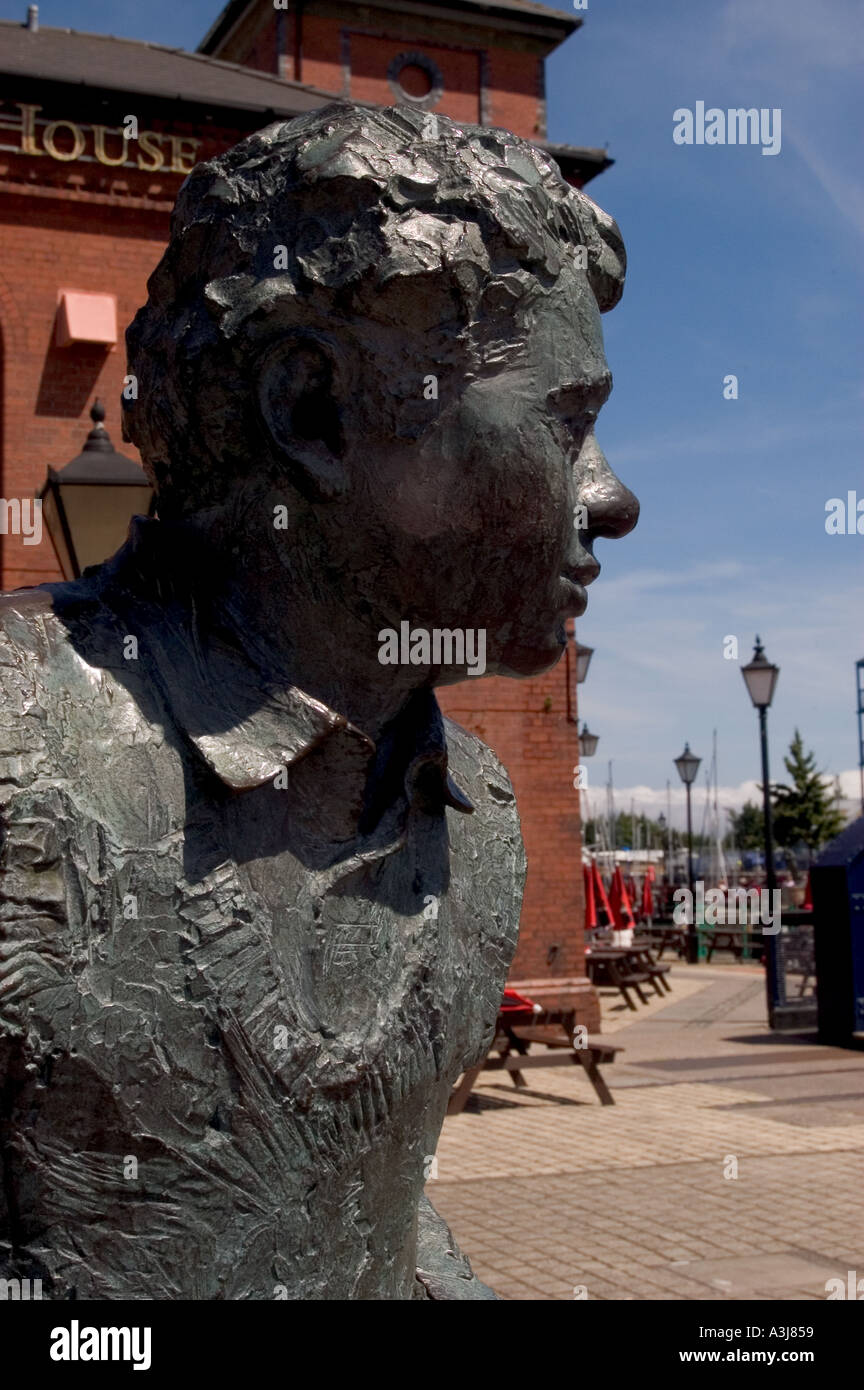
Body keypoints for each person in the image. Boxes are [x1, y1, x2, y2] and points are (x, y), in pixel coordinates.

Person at [0, 103, 637, 1299]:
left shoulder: (474, 819)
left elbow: (367, 1220)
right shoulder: (19, 753)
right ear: (315, 412)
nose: (610, 498)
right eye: (567, 424)